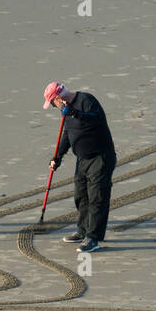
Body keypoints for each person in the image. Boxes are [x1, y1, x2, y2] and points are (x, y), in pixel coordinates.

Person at [44, 81, 116, 253]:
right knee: (81, 195)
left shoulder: (86, 100)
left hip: (100, 157)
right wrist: (57, 157)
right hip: (82, 159)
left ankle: (93, 238)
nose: (54, 107)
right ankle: (82, 230)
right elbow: (67, 134)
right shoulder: (66, 111)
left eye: (53, 103)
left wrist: (75, 113)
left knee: (97, 197)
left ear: (58, 98)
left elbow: (94, 118)